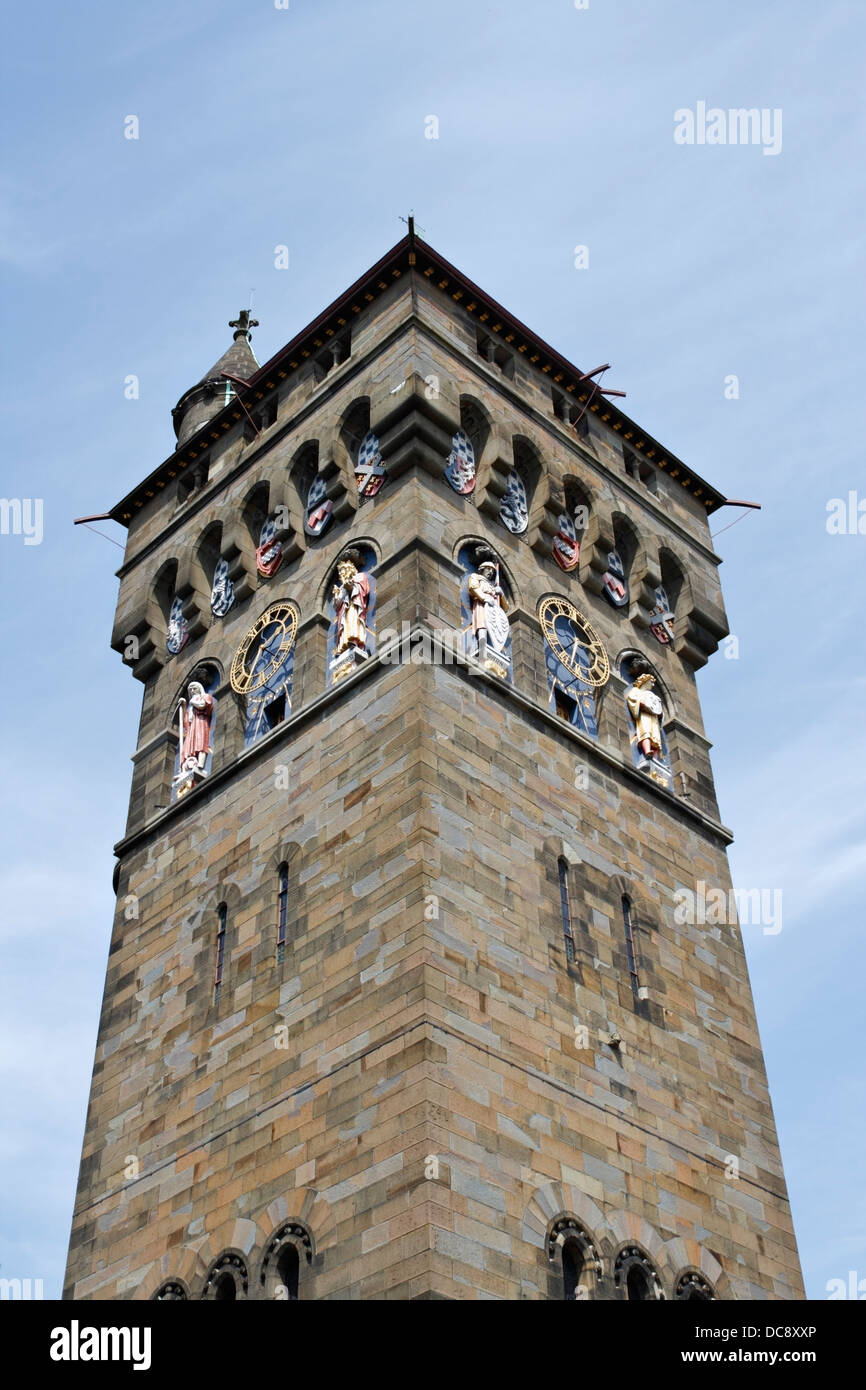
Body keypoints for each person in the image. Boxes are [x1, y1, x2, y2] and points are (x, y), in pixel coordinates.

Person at [333, 555, 370, 655]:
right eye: (340, 572)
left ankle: (354, 639)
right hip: (345, 610)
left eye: (343, 571)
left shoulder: (359, 577)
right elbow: (336, 606)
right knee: (344, 625)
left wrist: (351, 587)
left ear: (350, 570)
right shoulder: (341, 587)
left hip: (354, 606)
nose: (341, 574)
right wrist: (337, 596)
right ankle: (343, 645)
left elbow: (364, 589)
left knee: (353, 620)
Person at [625, 672, 664, 760]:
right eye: (650, 682)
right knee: (646, 732)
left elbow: (659, 710)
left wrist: (658, 711)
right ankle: (647, 751)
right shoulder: (636, 691)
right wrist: (644, 705)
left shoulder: (653, 695)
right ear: (644, 682)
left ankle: (655, 758)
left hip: (654, 718)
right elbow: (634, 699)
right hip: (644, 716)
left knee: (656, 738)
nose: (652, 684)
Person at [179, 681, 214, 772]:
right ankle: (189, 763)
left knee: (201, 742)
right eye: (190, 690)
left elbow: (203, 705)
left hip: (201, 722)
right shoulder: (190, 705)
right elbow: (185, 721)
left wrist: (192, 702)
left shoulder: (205, 697)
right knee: (191, 745)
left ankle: (200, 764)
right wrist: (183, 706)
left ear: (199, 688)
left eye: (195, 688)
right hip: (192, 727)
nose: (193, 691)